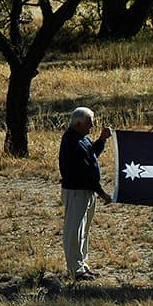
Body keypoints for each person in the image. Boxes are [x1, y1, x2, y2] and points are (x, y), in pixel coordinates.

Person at [58, 106, 112, 281]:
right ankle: (75, 269)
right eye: (89, 123)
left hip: (85, 191)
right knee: (74, 231)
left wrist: (101, 140)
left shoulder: (81, 138)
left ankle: (82, 265)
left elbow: (91, 155)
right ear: (78, 124)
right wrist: (102, 193)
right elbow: (84, 173)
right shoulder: (72, 143)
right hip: (76, 192)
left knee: (83, 230)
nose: (92, 126)